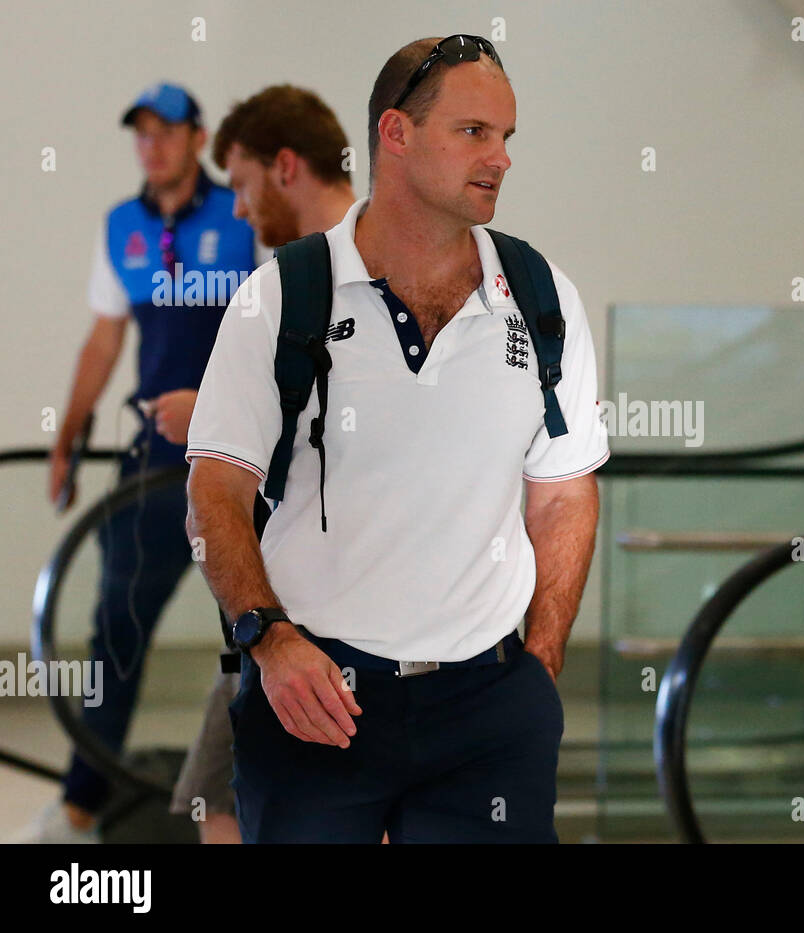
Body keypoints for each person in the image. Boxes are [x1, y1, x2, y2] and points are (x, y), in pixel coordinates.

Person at [185, 35, 608, 843]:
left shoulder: (543, 297)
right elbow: (216, 491)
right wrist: (267, 639)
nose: (501, 158)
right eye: (474, 132)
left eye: (508, 137)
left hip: (489, 708)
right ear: (396, 133)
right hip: (316, 699)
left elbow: (562, 492)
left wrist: (541, 664)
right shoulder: (281, 297)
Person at [19, 83, 259, 843]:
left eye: (168, 131)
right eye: (141, 133)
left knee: (257, 636)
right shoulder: (121, 226)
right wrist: (70, 432)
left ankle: (258, 807)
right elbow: (103, 338)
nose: (152, 145)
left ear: (198, 138)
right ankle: (81, 808)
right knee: (113, 631)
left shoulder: (244, 215)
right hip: (151, 465)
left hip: (241, 462)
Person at [167, 84, 356, 845]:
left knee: (229, 801)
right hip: (276, 614)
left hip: (345, 622)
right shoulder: (282, 292)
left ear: (285, 167)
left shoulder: (379, 276)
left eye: (242, 186)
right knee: (215, 797)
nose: (237, 211)